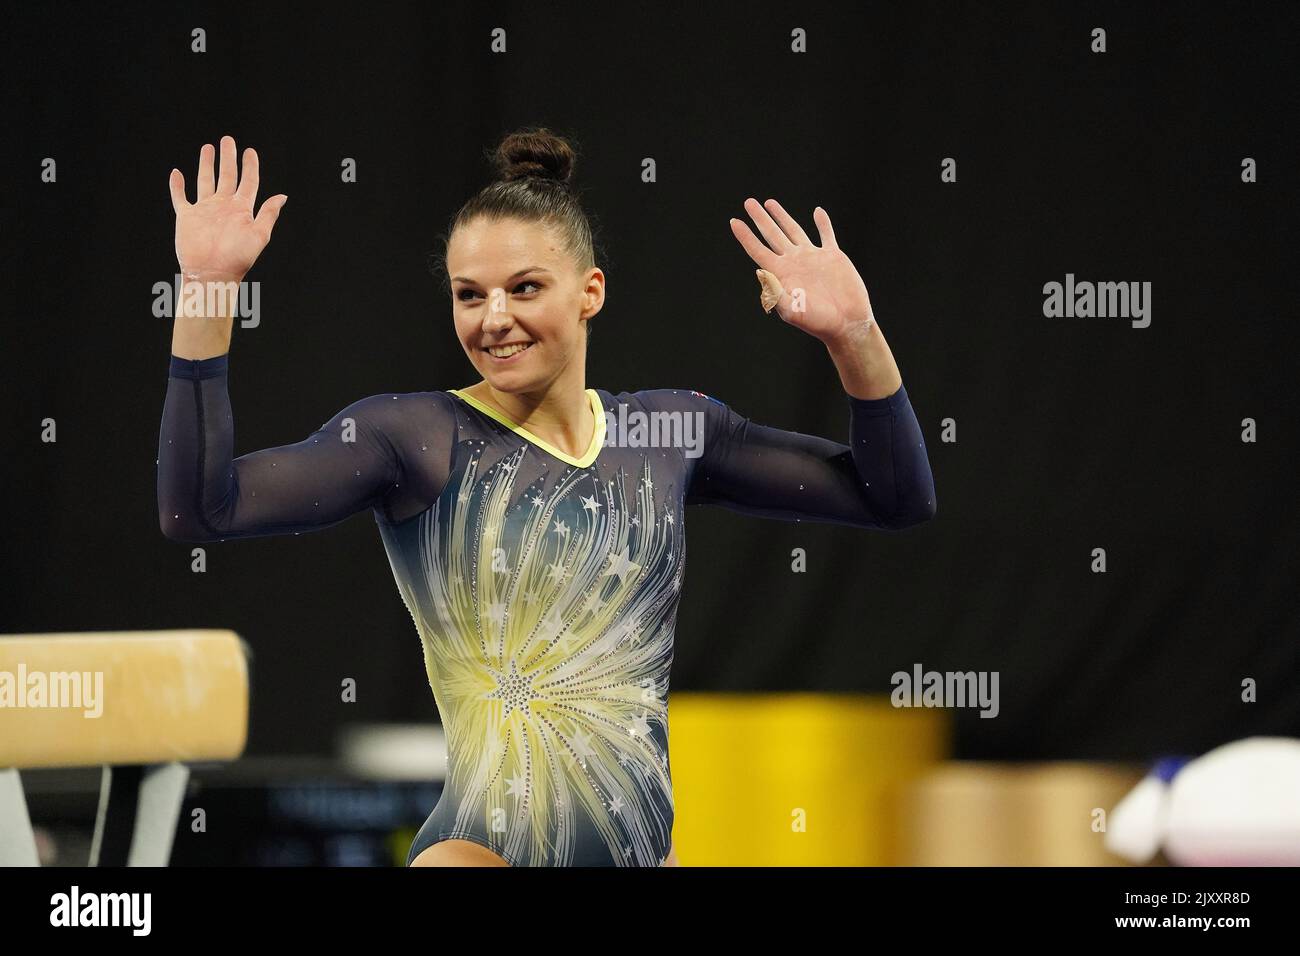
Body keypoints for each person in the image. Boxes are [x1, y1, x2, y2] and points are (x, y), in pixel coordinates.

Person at [158, 127, 937, 867]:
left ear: (589, 291)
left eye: (524, 288)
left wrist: (855, 335)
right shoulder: (416, 437)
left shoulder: (665, 432)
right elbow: (202, 506)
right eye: (470, 295)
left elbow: (894, 497)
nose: (494, 319)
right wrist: (205, 290)